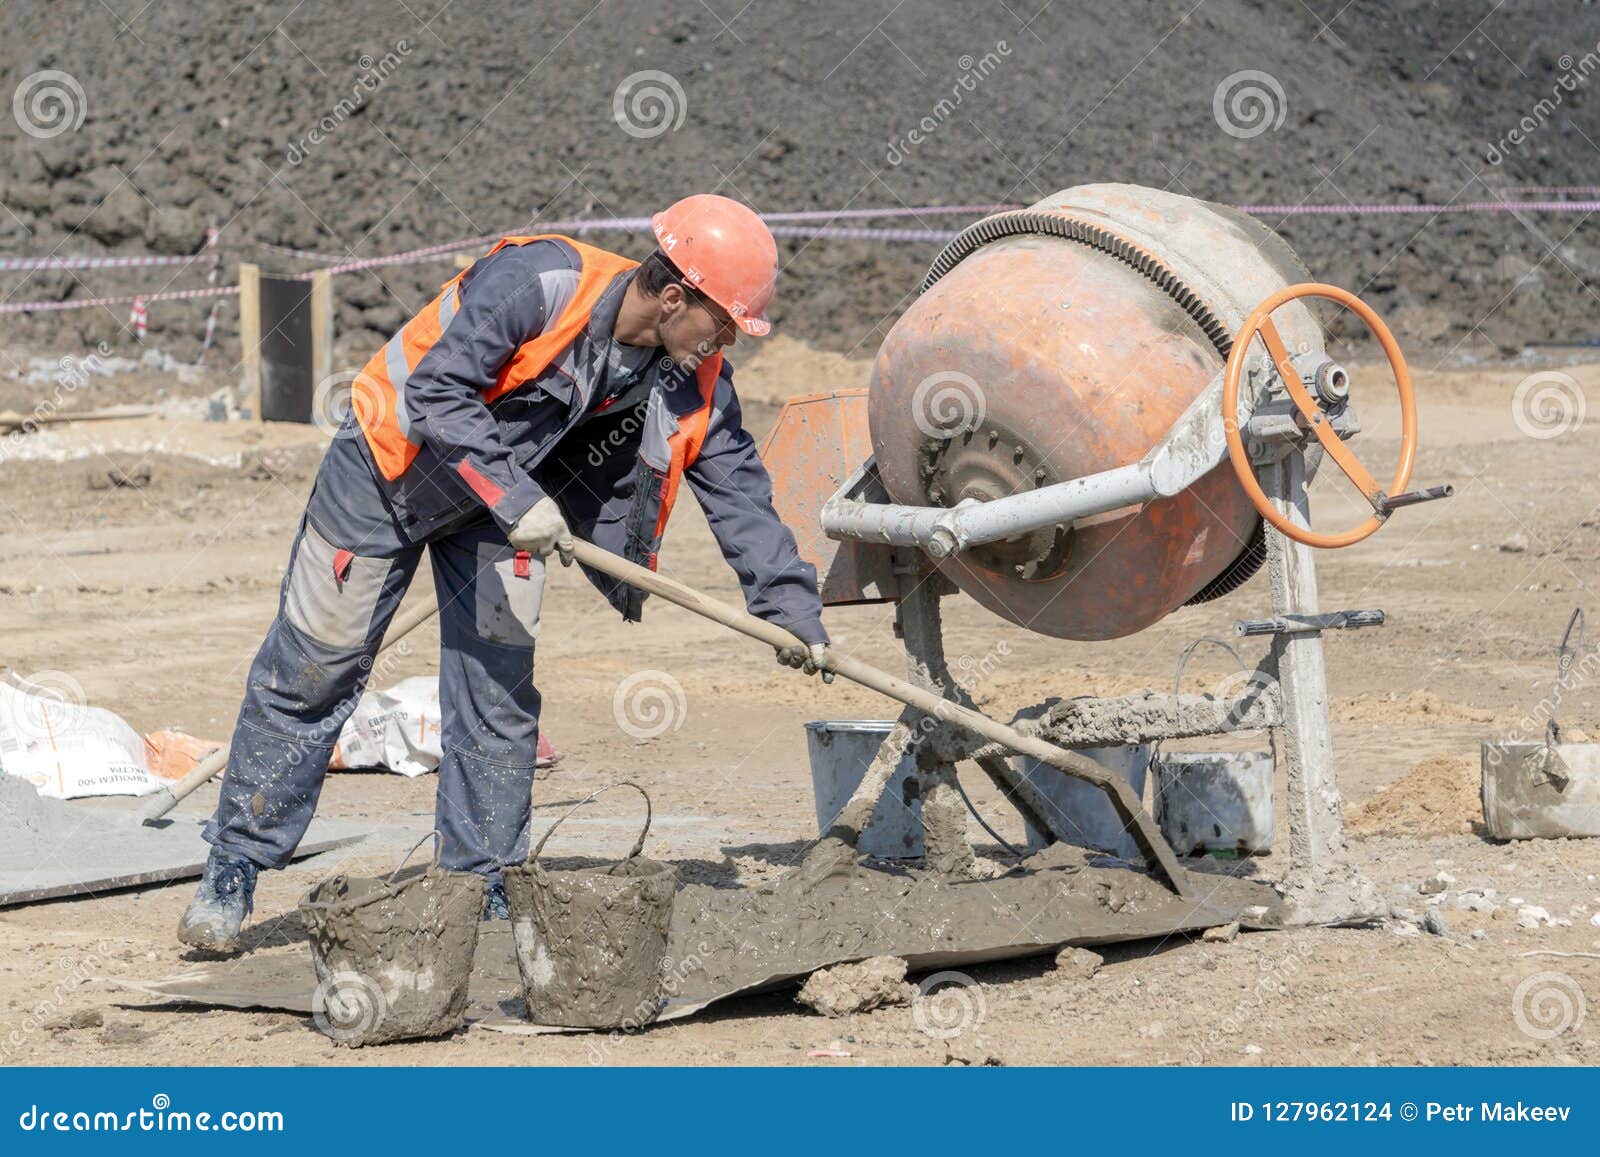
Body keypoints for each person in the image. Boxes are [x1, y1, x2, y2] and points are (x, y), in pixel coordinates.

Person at [179, 194, 829, 953]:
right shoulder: (540, 283)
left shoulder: (695, 377)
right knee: (314, 667)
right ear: (675, 296)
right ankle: (234, 868)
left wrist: (791, 612)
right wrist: (519, 496)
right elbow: (436, 391)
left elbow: (741, 494)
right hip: (386, 472)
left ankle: (479, 884)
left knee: (498, 695)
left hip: (497, 513)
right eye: (722, 323)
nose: (727, 342)